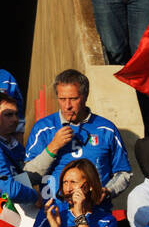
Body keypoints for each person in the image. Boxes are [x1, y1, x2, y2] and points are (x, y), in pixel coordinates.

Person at [24, 70, 132, 201]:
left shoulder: (106, 129)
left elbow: (123, 173)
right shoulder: (43, 128)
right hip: (56, 214)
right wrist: (53, 147)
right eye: (62, 99)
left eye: (73, 99)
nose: (67, 106)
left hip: (96, 213)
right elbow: (27, 177)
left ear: (85, 96)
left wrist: (108, 191)